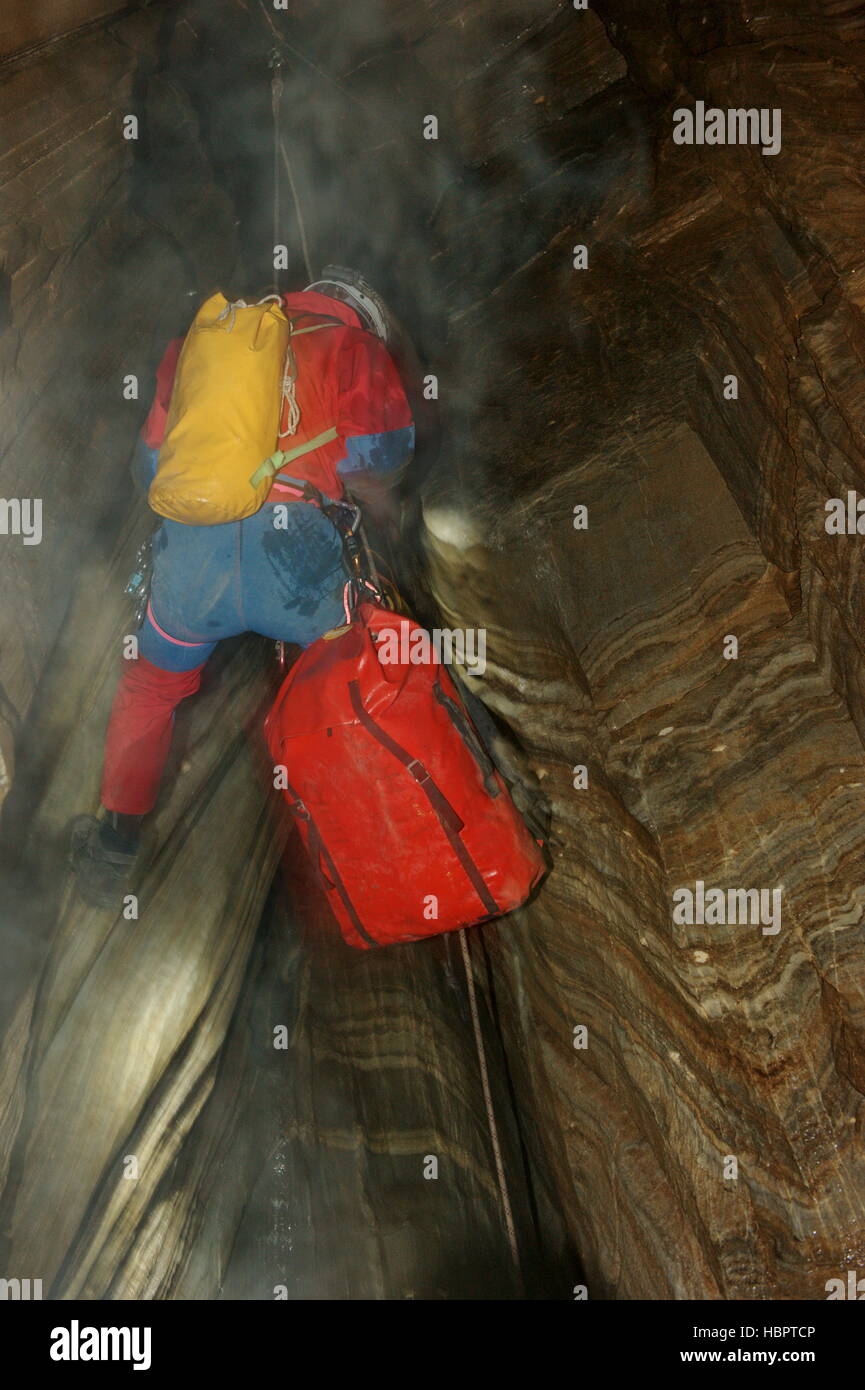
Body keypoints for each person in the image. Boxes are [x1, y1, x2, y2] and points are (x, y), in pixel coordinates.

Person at [70, 269, 415, 908]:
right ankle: (384, 843)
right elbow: (382, 453)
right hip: (298, 562)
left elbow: (150, 463)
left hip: (192, 563)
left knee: (151, 686)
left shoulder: (208, 343)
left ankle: (115, 843)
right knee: (359, 682)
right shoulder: (353, 347)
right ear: (361, 315)